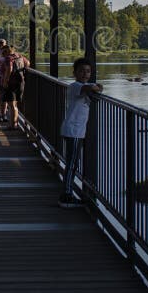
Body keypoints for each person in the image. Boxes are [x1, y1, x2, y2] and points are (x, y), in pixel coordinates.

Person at [58, 57, 103, 209]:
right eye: (82, 71)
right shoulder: (75, 86)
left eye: (88, 71)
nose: (85, 74)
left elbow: (98, 87)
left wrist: (96, 86)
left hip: (77, 130)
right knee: (71, 164)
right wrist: (94, 86)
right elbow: (92, 88)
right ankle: (66, 195)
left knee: (73, 162)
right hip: (73, 130)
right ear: (75, 73)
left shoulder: (83, 85)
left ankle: (68, 192)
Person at [0, 45, 29, 130]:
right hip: (20, 82)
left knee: (11, 105)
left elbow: (9, 69)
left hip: (10, 84)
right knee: (14, 104)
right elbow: (27, 63)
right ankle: (14, 124)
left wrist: (5, 81)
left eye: (3, 52)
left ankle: (12, 125)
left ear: (7, 52)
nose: (2, 54)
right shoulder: (19, 56)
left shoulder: (8, 58)